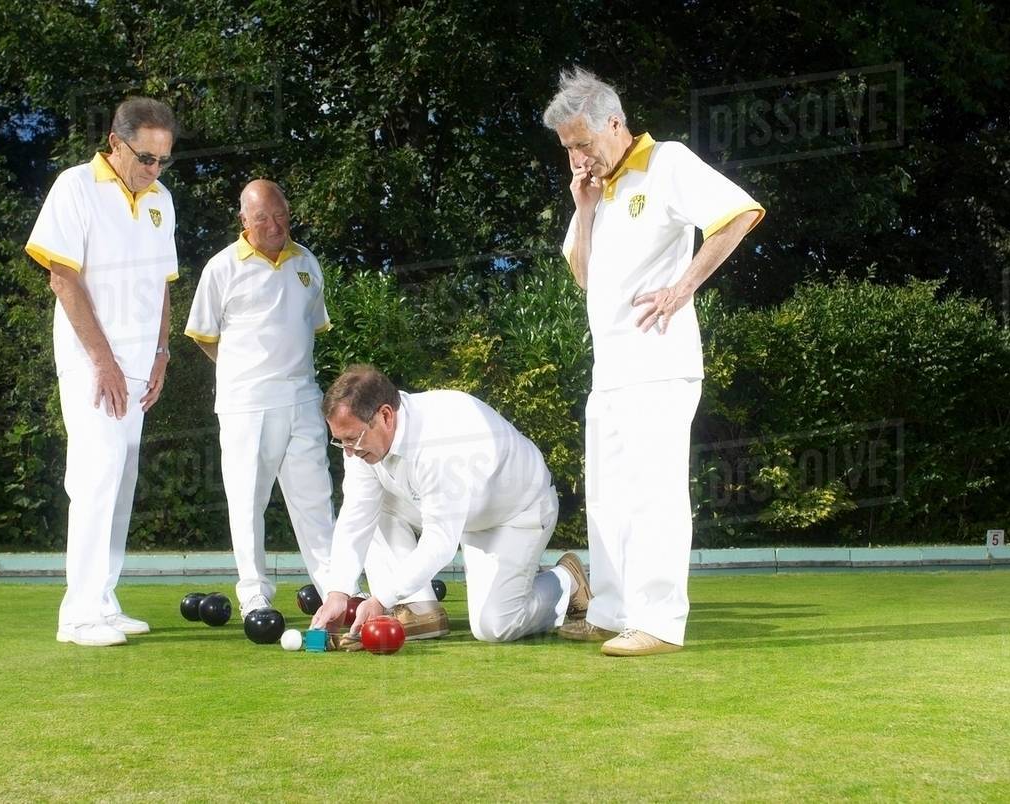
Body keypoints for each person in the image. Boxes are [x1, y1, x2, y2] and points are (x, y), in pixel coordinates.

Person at [543, 67, 764, 656]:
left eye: (583, 144)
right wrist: (584, 206)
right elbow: (586, 279)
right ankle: (612, 612)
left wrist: (683, 286)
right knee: (609, 496)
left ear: (614, 123)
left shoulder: (666, 163)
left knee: (654, 493)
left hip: (660, 365)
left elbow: (739, 213)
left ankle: (660, 623)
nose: (578, 157)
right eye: (568, 149)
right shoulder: (595, 188)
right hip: (610, 375)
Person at [25, 97, 179, 647]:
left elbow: (162, 284)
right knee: (95, 475)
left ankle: (104, 601)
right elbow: (62, 279)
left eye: (163, 159)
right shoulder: (74, 187)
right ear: (115, 142)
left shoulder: (161, 201)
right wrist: (106, 362)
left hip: (139, 365)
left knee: (122, 479)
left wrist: (161, 354)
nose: (153, 170)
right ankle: (78, 614)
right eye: (145, 157)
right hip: (93, 363)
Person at [309, 365, 592, 645]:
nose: (349, 452)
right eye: (340, 441)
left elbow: (441, 542)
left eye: (352, 439)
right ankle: (418, 607)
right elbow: (357, 515)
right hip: (468, 512)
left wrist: (380, 598)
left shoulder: (438, 444)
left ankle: (566, 581)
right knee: (375, 505)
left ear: (385, 415)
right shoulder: (360, 444)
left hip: (518, 513)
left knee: (494, 626)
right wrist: (338, 591)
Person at [183, 179, 337, 616]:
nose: (274, 225)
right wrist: (241, 374)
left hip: (303, 399)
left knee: (315, 497)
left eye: (281, 215)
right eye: (263, 218)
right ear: (244, 221)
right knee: (246, 498)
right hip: (245, 406)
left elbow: (309, 327)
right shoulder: (221, 267)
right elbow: (204, 336)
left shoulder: (307, 262)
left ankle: (336, 588)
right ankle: (254, 593)